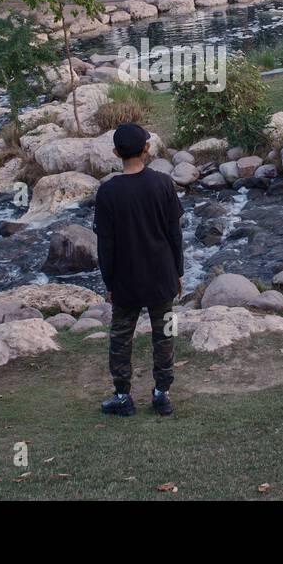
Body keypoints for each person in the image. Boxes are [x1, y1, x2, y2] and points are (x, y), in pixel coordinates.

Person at [93, 123, 183, 417]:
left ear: (116, 153)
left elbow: (105, 245)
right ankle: (162, 394)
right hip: (161, 275)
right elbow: (174, 234)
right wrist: (178, 272)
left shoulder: (107, 192)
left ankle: (122, 397)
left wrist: (109, 282)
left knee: (120, 337)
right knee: (164, 335)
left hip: (125, 280)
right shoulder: (163, 184)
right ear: (147, 148)